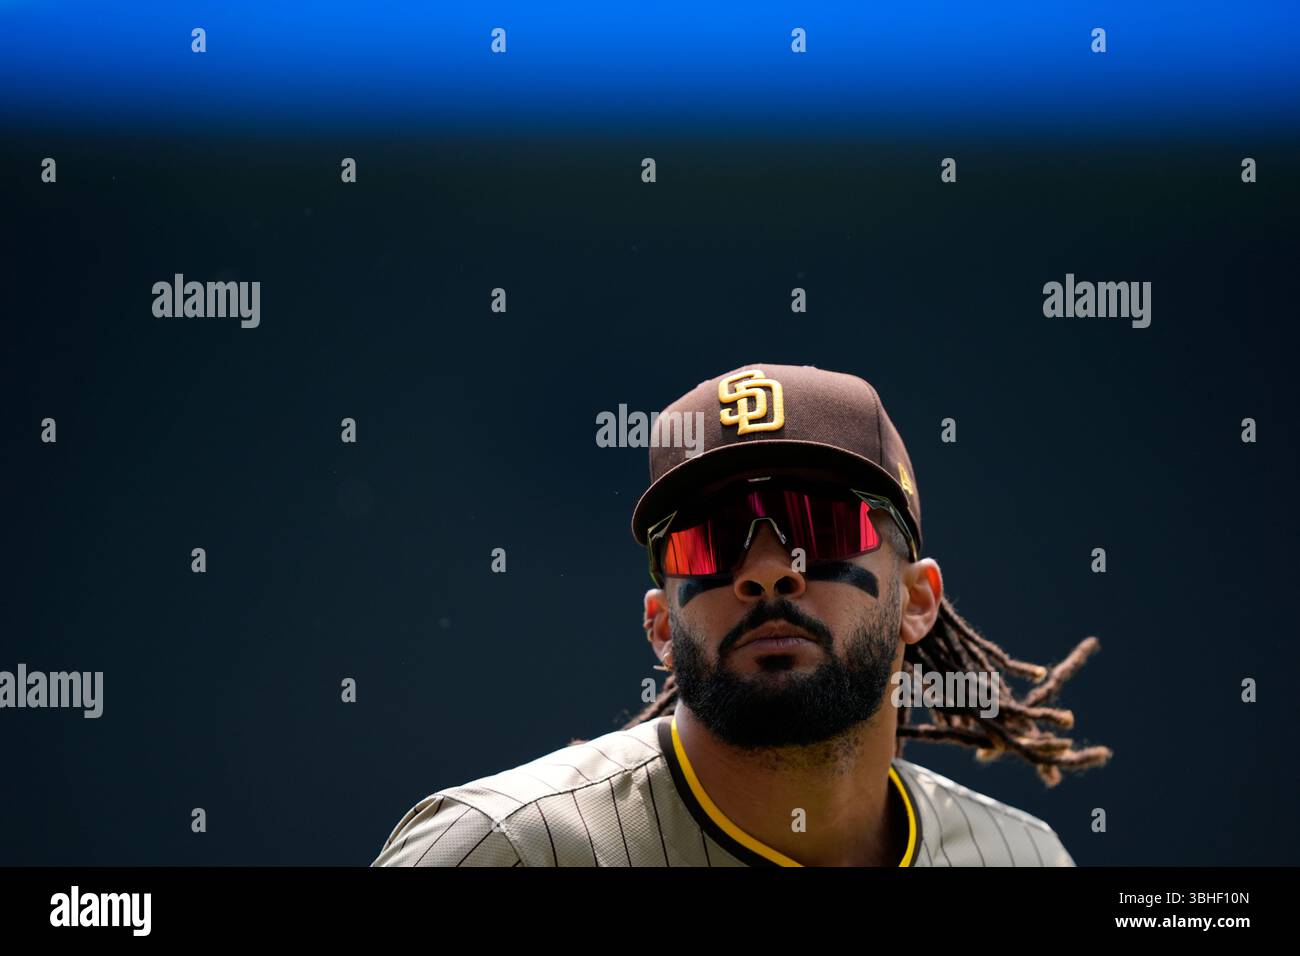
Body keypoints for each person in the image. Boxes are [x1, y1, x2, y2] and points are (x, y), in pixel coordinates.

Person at [372, 363, 1111, 867]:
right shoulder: (502, 849)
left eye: (822, 526)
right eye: (712, 541)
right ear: (660, 625)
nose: (765, 570)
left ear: (917, 600)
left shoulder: (1023, 856)